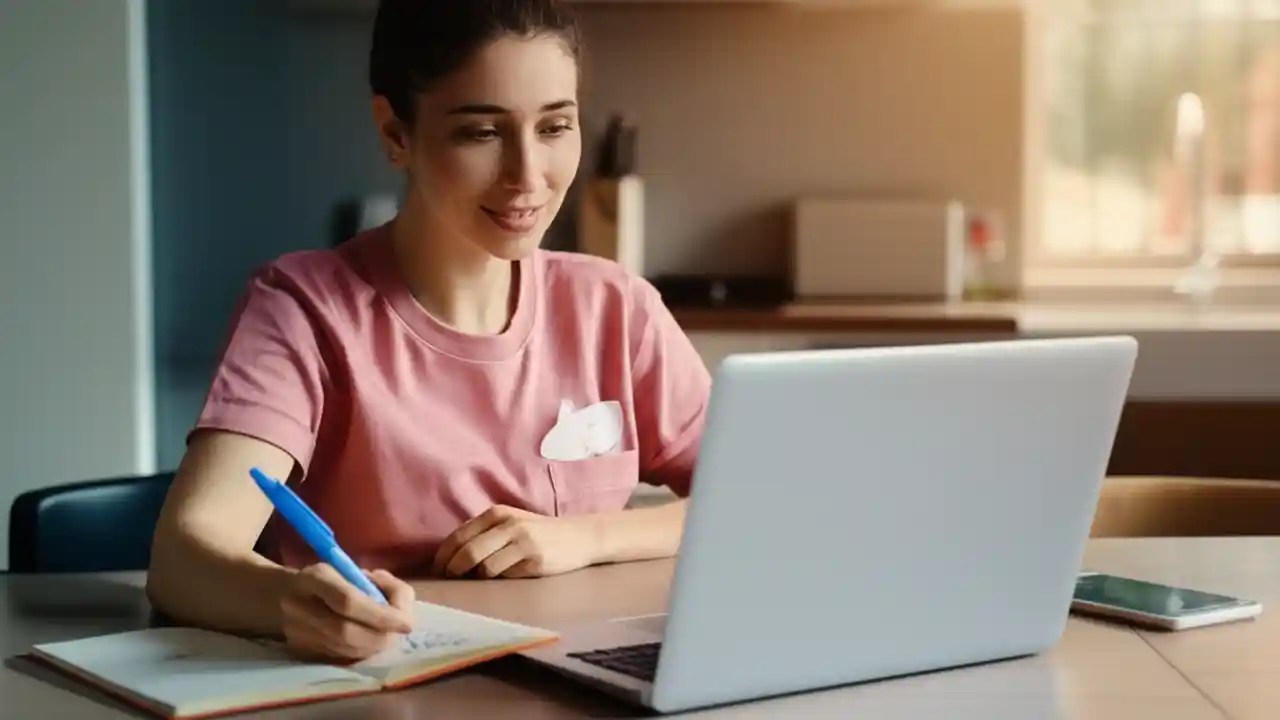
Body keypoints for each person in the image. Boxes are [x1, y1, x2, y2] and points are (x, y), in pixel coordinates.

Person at [146, 0, 710, 663]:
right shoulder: (302, 308)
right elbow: (185, 557)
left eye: (555, 126)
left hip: (580, 679)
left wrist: (590, 537)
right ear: (395, 133)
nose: (528, 175)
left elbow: (761, 500)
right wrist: (290, 603)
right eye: (481, 133)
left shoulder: (616, 307)